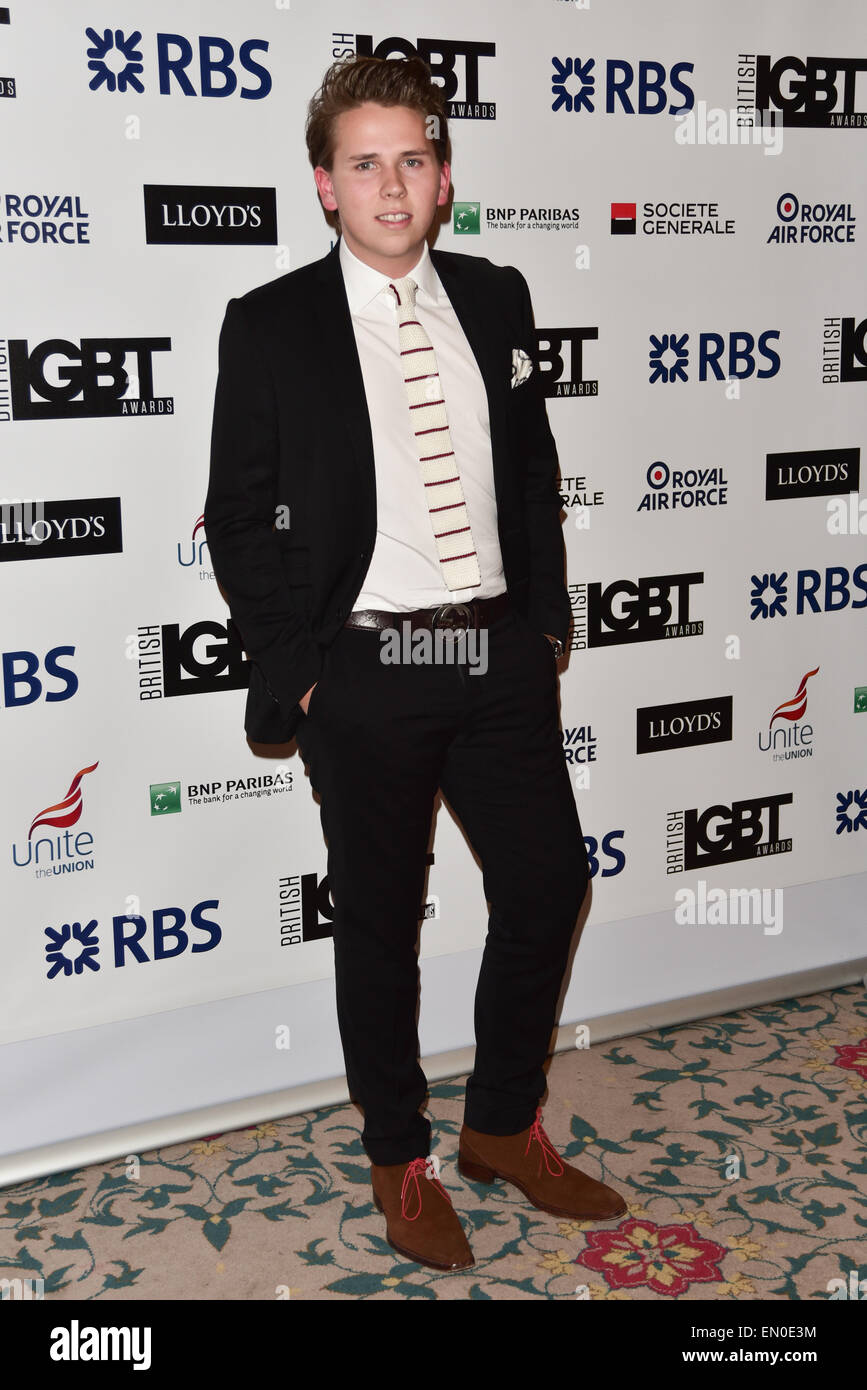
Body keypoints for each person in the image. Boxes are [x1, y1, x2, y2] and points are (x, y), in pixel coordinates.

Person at [204, 53, 626, 1273]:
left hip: (495, 654)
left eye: (414, 158)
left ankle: (500, 1123)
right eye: (364, 162)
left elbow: (534, 475)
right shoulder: (271, 322)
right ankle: (400, 1150)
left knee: (548, 883)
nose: (393, 183)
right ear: (326, 186)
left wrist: (542, 628)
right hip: (367, 667)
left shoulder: (497, 296)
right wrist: (308, 668)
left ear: (444, 176)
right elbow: (239, 516)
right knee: (380, 923)